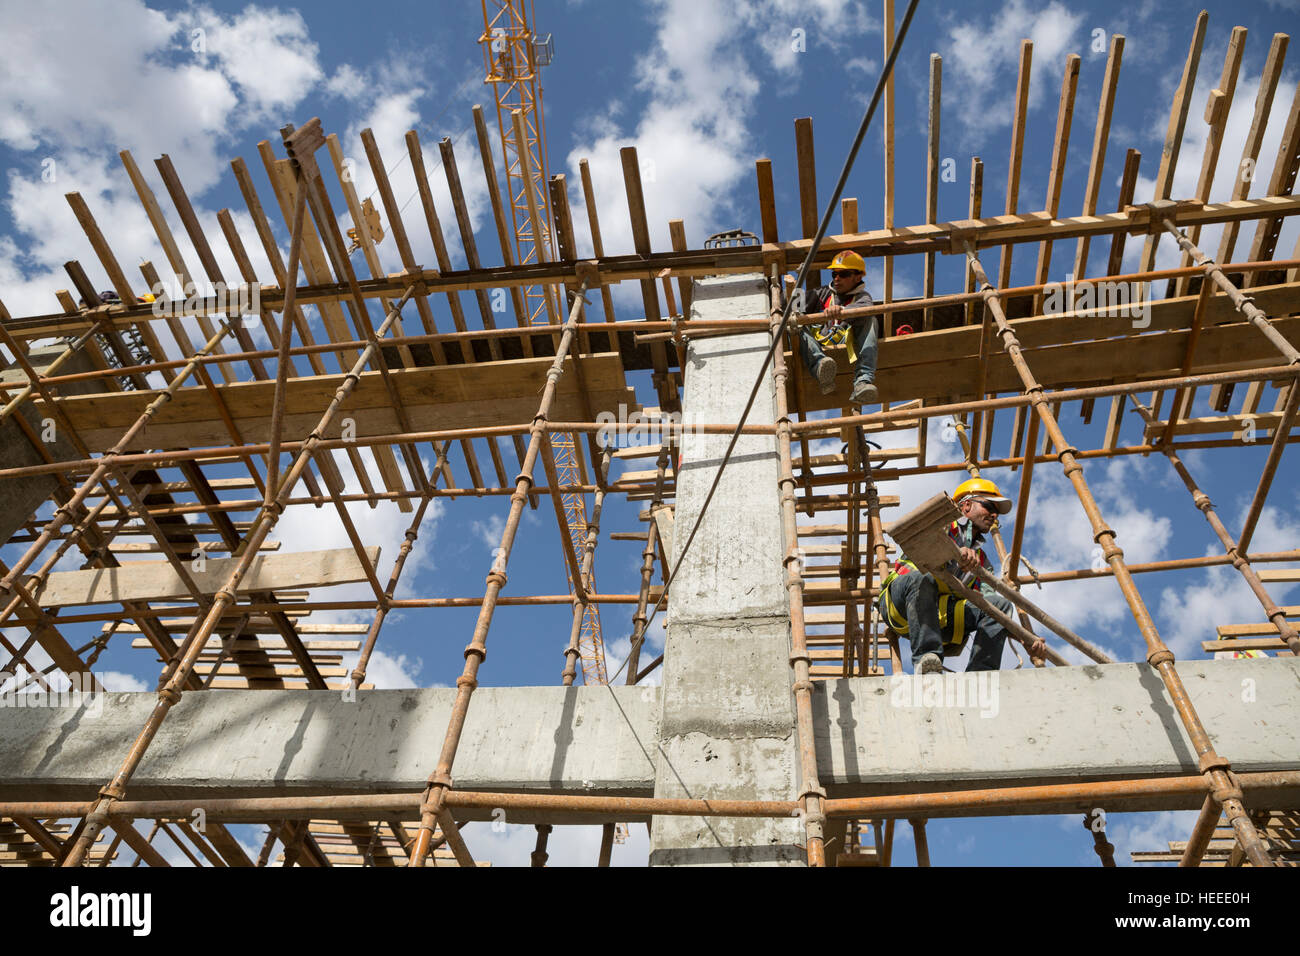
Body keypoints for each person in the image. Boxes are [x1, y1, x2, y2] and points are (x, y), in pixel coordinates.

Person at [877, 478, 1047, 673]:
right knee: (923, 578)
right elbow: (919, 546)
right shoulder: (940, 525)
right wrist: (955, 553)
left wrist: (1024, 638)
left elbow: (989, 610)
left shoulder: (982, 562)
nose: (994, 515)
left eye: (996, 513)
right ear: (966, 505)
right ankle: (927, 661)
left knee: (1000, 605)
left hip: (941, 619)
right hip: (902, 605)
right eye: (989, 506)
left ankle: (980, 673)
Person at [796, 250, 880, 405]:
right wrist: (795, 289)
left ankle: (862, 382)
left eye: (844, 274)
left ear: (858, 276)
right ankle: (820, 366)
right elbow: (796, 305)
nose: (837, 278)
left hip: (846, 344)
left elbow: (866, 307)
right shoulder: (823, 293)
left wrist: (842, 312)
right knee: (795, 323)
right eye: (834, 274)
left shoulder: (863, 297)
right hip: (820, 346)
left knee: (870, 318)